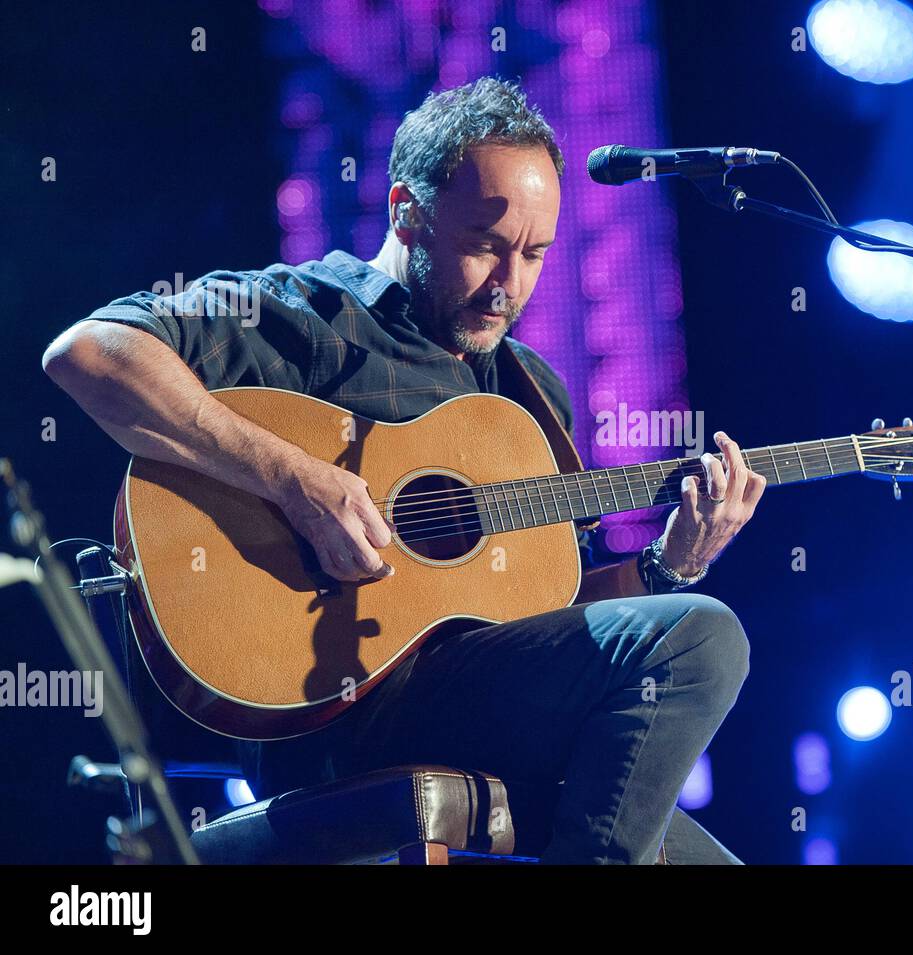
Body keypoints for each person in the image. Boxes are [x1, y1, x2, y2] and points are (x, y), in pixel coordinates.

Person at [42, 76, 765, 864]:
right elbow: (88, 352)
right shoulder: (309, 315)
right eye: (485, 244)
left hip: (489, 706)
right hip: (342, 710)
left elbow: (559, 611)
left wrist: (668, 563)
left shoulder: (531, 393)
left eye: (534, 254)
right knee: (705, 639)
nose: (508, 284)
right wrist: (292, 476)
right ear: (404, 211)